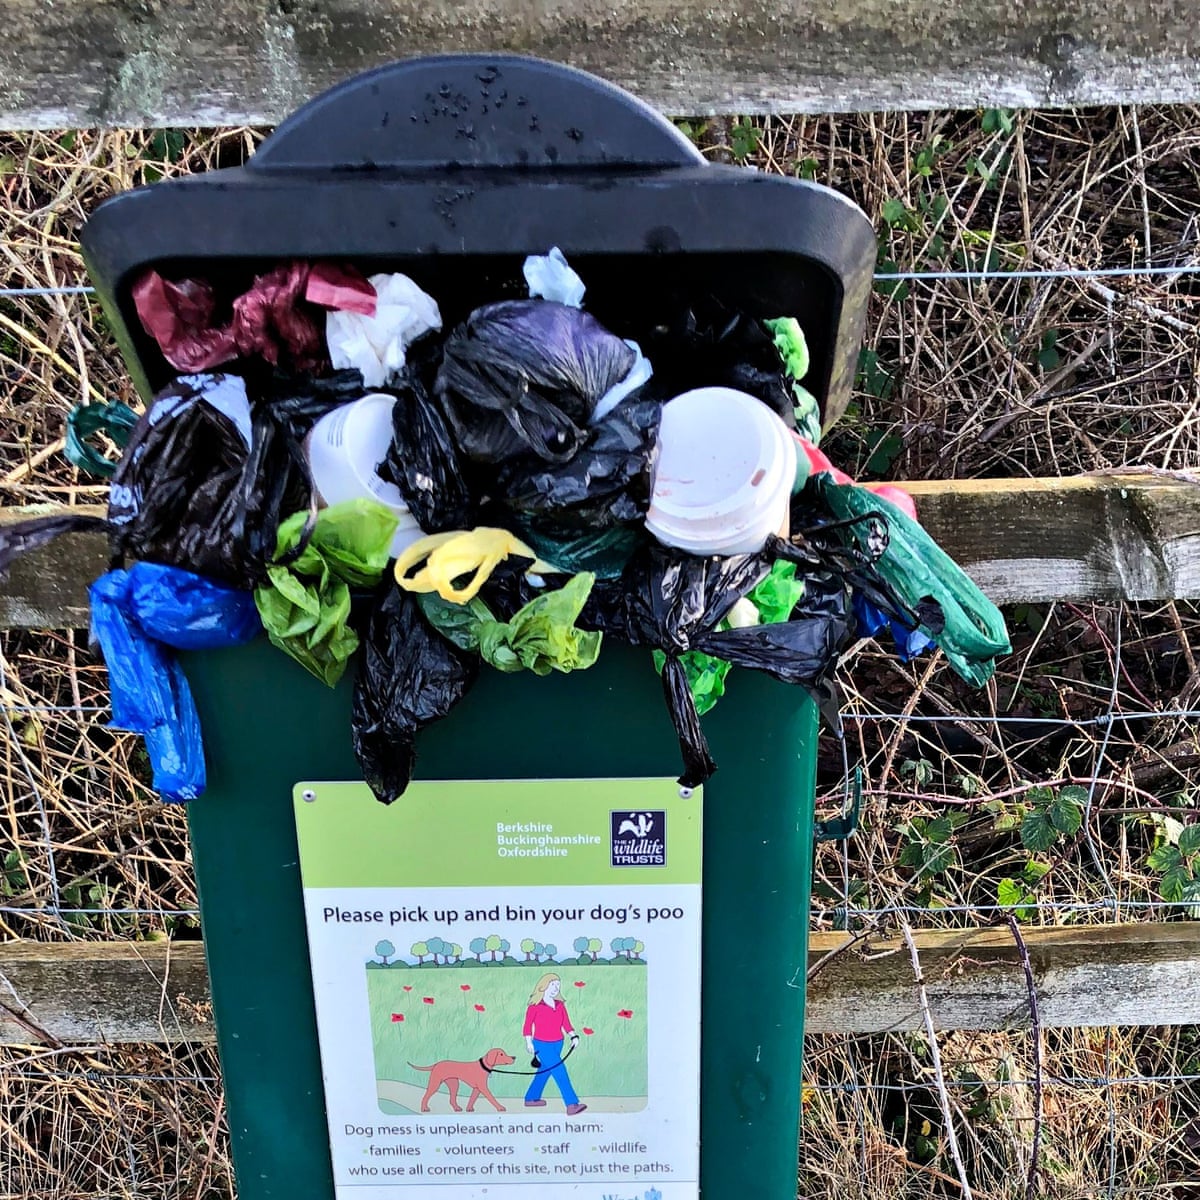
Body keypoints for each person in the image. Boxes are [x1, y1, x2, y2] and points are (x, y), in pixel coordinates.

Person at [522, 973, 587, 1115]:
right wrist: (528, 1043)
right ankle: (571, 1104)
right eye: (552, 985)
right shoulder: (535, 1006)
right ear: (543, 986)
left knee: (544, 1072)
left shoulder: (560, 1005)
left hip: (558, 1042)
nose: (555, 988)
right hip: (541, 1044)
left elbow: (566, 1023)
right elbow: (527, 1026)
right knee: (560, 1071)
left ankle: (531, 1098)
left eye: (558, 985)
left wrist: (573, 1036)